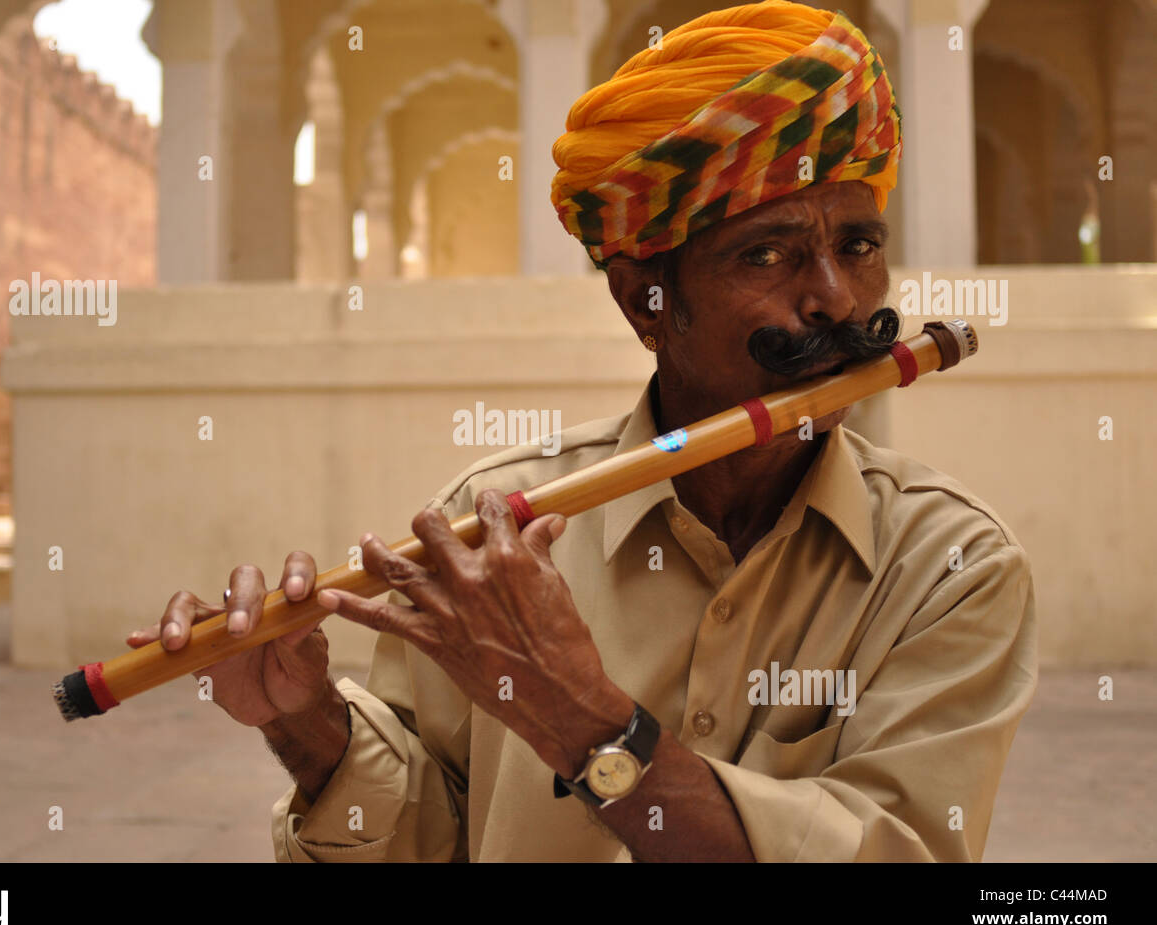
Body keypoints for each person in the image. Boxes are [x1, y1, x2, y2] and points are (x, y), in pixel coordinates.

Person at [128, 0, 1036, 862]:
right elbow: (428, 838)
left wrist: (580, 717)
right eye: (767, 253)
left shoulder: (951, 565)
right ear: (646, 301)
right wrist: (307, 725)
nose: (835, 298)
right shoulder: (495, 533)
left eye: (859, 246)